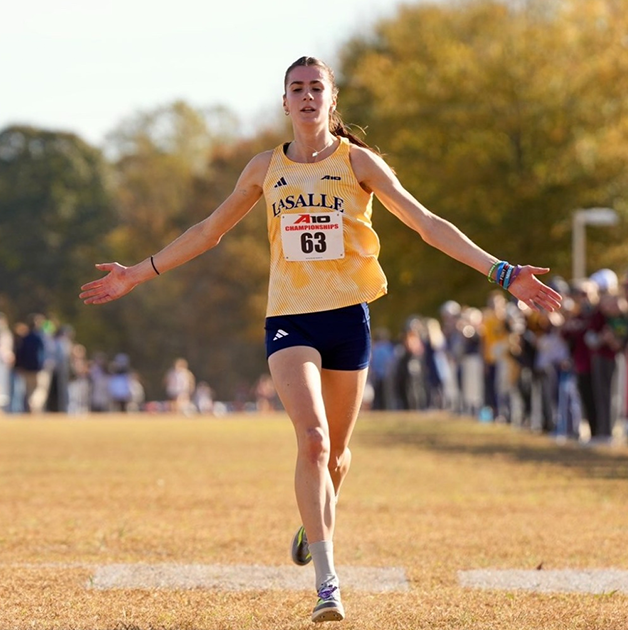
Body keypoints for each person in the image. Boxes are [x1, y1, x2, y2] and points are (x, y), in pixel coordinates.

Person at [79, 56, 562, 623]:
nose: (306, 97)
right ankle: (328, 583)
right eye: (296, 89)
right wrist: (137, 272)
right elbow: (209, 232)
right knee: (311, 440)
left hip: (347, 319)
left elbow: (426, 223)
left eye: (316, 88)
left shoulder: (359, 163)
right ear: (284, 102)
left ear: (332, 100)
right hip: (291, 319)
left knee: (335, 456)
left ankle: (313, 525)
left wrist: (502, 273)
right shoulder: (265, 168)